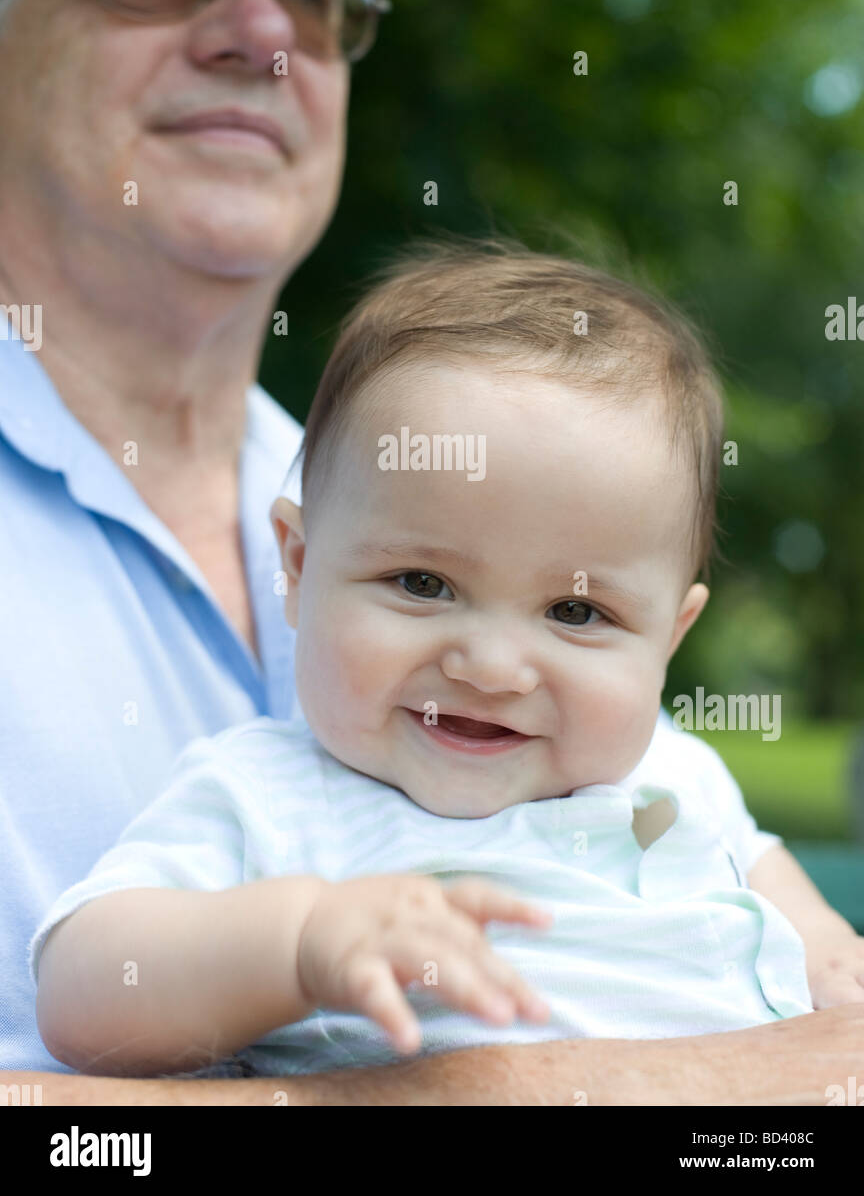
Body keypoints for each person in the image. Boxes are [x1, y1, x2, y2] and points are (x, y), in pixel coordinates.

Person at [0, 0, 862, 1106]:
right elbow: (98, 993)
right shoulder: (275, 783)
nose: (265, 30)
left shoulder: (421, 497)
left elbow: (840, 1008)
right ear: (308, 558)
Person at [31, 240, 863, 1080]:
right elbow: (82, 992)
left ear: (669, 638)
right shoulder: (267, 800)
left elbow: (758, 861)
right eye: (422, 582)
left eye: (576, 611)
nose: (493, 666)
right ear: (299, 565)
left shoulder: (672, 771)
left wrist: (829, 955)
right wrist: (299, 943)